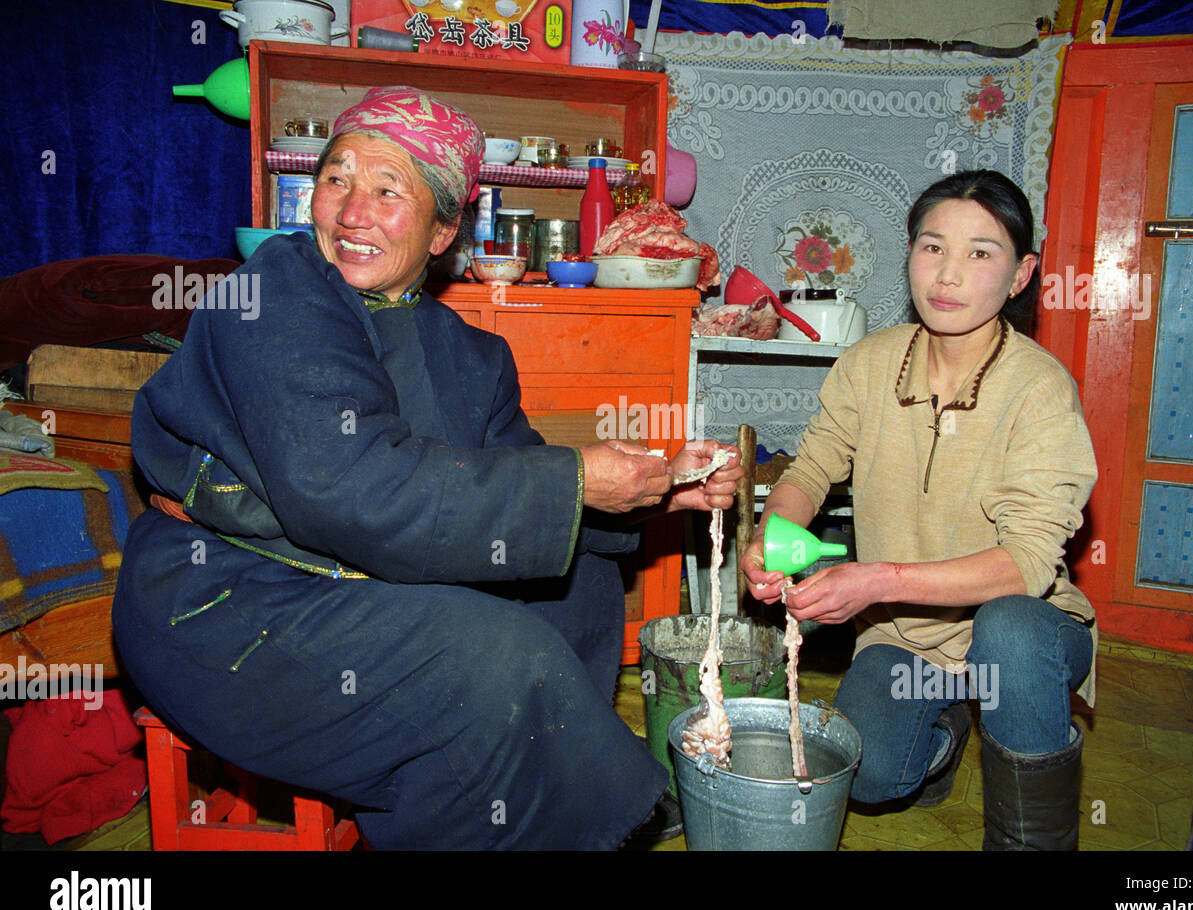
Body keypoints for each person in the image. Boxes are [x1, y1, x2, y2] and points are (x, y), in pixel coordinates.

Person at [112, 87, 740, 850]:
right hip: (230, 597)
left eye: (387, 190)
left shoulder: (470, 352)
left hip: (349, 581)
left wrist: (659, 490)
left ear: (444, 230)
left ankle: (526, 801)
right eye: (337, 179)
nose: (351, 211)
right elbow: (346, 487)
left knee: (581, 585)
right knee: (494, 658)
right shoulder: (271, 289)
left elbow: (521, 477)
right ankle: (534, 795)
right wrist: (577, 480)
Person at [742, 170, 1097, 851]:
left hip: (1025, 628)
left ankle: (1033, 839)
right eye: (933, 247)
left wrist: (874, 580)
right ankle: (943, 732)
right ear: (909, 253)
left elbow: (1026, 564)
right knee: (865, 773)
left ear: (1021, 274)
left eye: (981, 253)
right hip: (907, 637)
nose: (949, 274)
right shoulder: (870, 365)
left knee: (1012, 633)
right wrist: (773, 535)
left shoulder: (1040, 391)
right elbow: (812, 468)